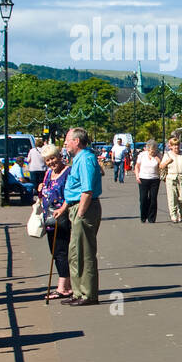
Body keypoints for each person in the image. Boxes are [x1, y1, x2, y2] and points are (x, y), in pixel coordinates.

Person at [57, 127, 102, 306]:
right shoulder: (78, 159)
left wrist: (80, 213)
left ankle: (88, 294)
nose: (65, 143)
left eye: (67, 140)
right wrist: (64, 207)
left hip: (85, 208)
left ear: (76, 141)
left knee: (84, 252)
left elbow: (87, 189)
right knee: (74, 252)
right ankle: (77, 291)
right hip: (75, 206)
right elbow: (74, 189)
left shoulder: (86, 159)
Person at [37, 144, 73, 299]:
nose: (51, 162)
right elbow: (43, 193)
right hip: (49, 218)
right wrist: (40, 189)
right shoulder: (48, 174)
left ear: (59, 156)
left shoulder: (68, 172)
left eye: (53, 158)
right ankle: (68, 285)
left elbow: (70, 194)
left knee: (60, 252)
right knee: (54, 251)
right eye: (47, 160)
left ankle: (62, 288)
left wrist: (63, 208)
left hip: (62, 217)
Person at [161, 136, 182, 223]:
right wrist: (167, 162)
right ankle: (173, 215)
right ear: (170, 146)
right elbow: (161, 166)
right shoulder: (167, 154)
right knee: (172, 197)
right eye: (174, 145)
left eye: (177, 145)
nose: (176, 147)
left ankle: (181, 213)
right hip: (171, 178)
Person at [136, 141, 162, 223]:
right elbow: (137, 166)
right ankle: (143, 216)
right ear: (147, 149)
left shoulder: (158, 155)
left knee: (153, 198)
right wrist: (137, 176)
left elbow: (162, 167)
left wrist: (159, 160)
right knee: (143, 198)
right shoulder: (142, 155)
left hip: (155, 178)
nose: (153, 152)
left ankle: (151, 218)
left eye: (154, 151)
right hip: (143, 178)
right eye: (151, 151)